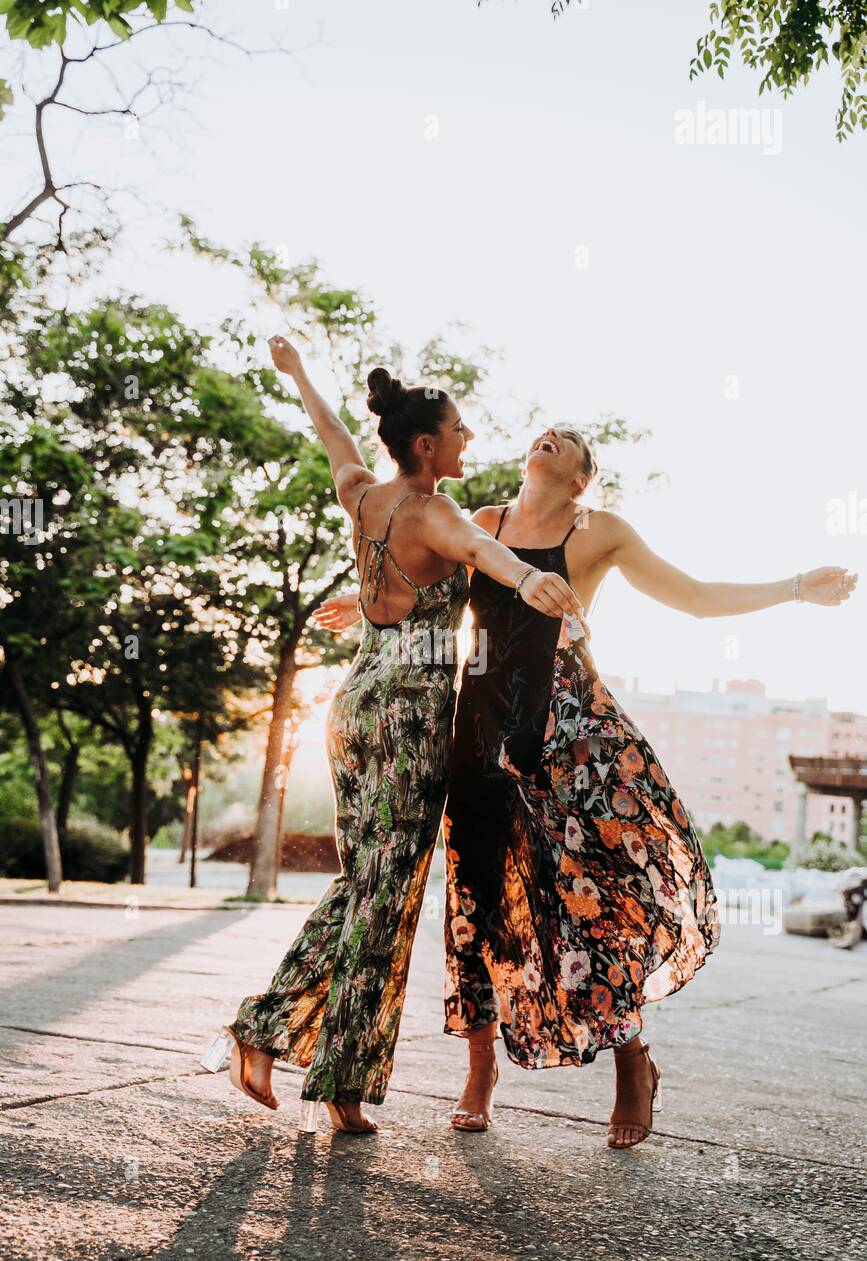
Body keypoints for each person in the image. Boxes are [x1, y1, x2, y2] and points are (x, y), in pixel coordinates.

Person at [315, 422, 857, 1147]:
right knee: (477, 896)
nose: (549, 435)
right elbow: (421, 582)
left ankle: (633, 1061)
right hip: (477, 727)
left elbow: (692, 597)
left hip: (570, 735)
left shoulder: (600, 531)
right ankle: (479, 1074)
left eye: (564, 439)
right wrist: (363, 600)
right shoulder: (481, 524)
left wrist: (795, 587)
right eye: (543, 431)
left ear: (579, 479)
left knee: (586, 902)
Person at [201, 343, 583, 1135]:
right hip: (409, 713)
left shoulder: (363, 496)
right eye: (456, 430)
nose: (468, 438)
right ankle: (298, 1054)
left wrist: (300, 377)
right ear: (425, 446)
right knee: (386, 890)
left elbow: (333, 437)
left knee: (364, 882)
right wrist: (532, 579)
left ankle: (291, 1048)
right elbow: (485, 553)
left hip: (356, 703)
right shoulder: (438, 513)